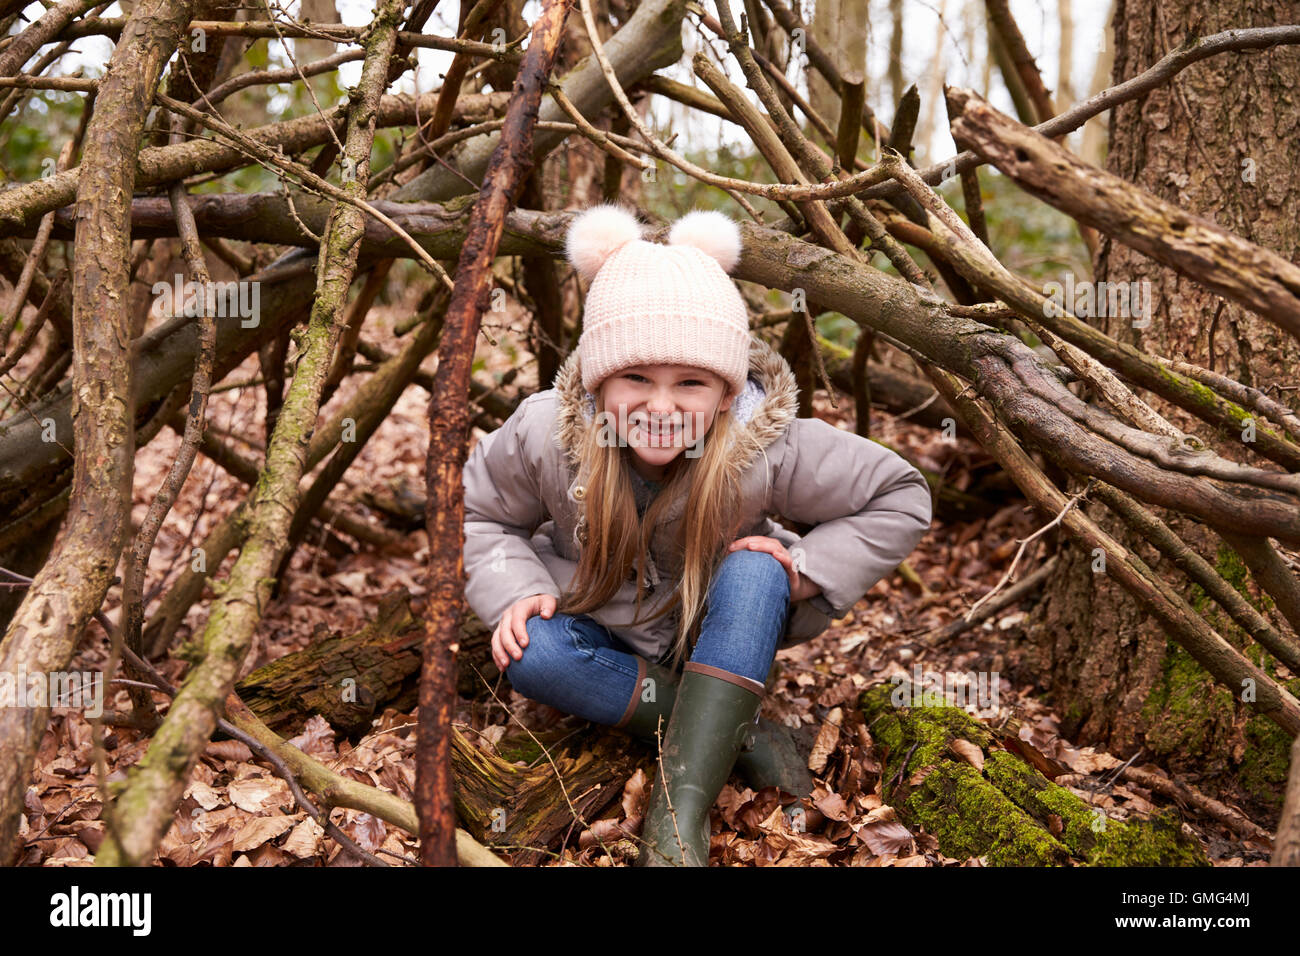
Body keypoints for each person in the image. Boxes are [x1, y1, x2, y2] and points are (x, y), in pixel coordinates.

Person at [461, 203, 932, 866]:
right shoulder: (547, 432)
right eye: (634, 379)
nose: (661, 407)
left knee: (758, 568)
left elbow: (900, 495)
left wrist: (806, 566)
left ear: (723, 391)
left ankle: (677, 817)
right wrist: (516, 586)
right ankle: (741, 735)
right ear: (599, 380)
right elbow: (480, 513)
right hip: (602, 634)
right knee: (530, 653)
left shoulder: (763, 445)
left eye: (690, 383)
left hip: (721, 636)